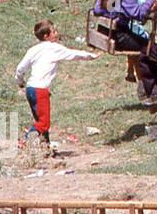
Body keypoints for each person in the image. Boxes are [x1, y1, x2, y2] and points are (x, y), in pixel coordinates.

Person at [14, 19, 98, 155]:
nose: (57, 33)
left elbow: (20, 68)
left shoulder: (33, 49)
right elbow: (74, 54)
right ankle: (24, 141)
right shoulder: (54, 48)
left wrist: (20, 82)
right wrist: (92, 56)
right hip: (40, 90)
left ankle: (46, 149)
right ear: (46, 36)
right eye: (54, 31)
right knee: (43, 123)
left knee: (40, 120)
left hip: (30, 89)